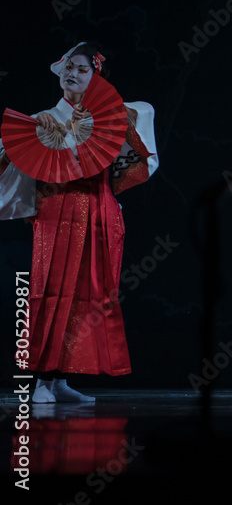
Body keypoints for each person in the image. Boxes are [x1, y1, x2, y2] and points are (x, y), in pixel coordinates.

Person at [0, 43, 158, 402]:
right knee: (53, 290)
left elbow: (143, 122)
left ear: (96, 77)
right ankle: (42, 379)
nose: (72, 73)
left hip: (100, 210)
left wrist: (108, 117)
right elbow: (13, 156)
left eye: (82, 68)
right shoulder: (44, 120)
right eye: (68, 67)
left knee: (92, 294)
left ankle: (61, 380)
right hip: (59, 211)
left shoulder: (113, 117)